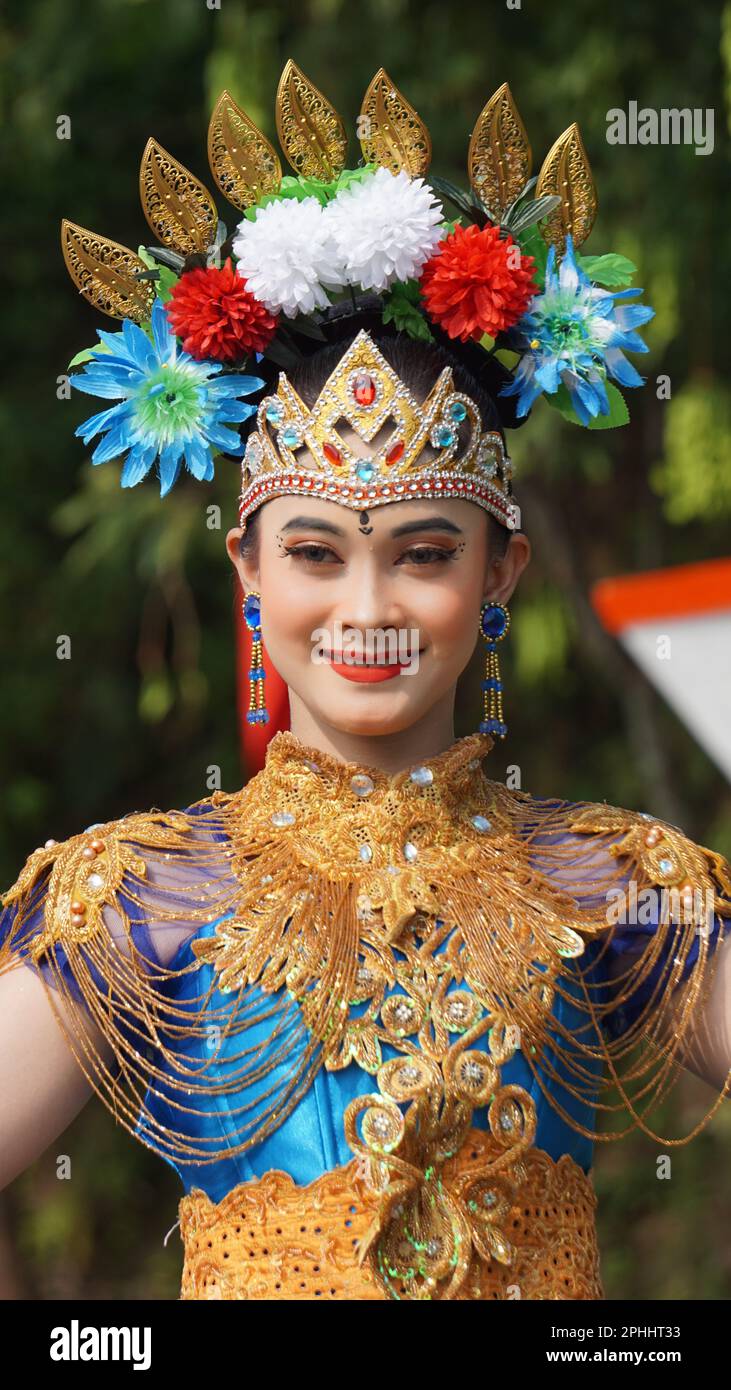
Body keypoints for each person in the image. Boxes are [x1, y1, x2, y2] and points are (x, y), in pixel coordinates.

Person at [2, 64, 730, 1303]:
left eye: (425, 555)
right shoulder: (138, 896)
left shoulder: (612, 883)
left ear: (501, 569)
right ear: (247, 567)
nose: (368, 609)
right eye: (316, 555)